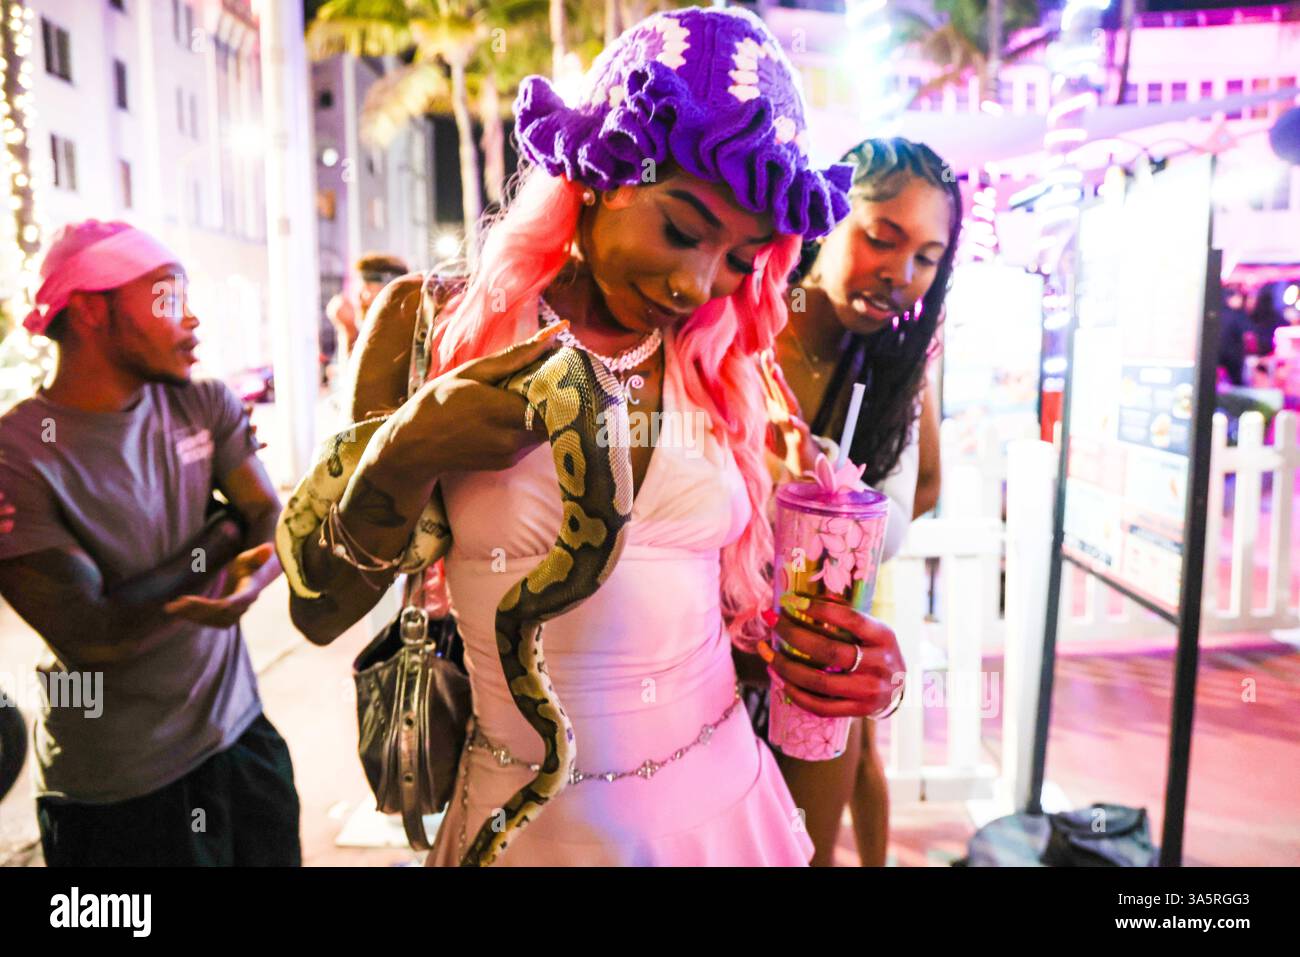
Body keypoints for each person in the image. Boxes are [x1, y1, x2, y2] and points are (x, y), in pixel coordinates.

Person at [287, 7, 904, 866]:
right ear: (600, 171)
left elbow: (735, 622)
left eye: (739, 256)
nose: (699, 284)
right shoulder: (428, 326)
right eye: (682, 229)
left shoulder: (730, 370)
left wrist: (850, 665)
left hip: (727, 814)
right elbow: (316, 608)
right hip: (527, 829)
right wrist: (410, 444)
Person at [0, 220, 299, 866]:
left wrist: (253, 567)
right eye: (167, 297)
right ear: (89, 310)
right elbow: (92, 630)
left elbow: (268, 517)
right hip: (116, 791)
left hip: (243, 742)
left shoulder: (202, 402)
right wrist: (221, 538)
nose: (192, 317)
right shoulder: (18, 452)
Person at [756, 137, 962, 865]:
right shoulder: (738, 332)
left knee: (805, 849)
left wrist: (843, 522)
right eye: (881, 237)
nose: (902, 274)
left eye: (928, 257)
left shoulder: (893, 369)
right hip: (698, 667)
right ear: (830, 211)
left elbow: (923, 486)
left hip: (816, 668)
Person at [325, 252, 410, 370]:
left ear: (391, 292)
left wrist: (348, 330)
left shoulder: (399, 331)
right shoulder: (366, 328)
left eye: (368, 288)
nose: (360, 298)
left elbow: (361, 379)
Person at [1217, 286, 1251, 386]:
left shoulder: (1218, 312)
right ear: (1229, 298)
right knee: (1236, 382)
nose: (1240, 300)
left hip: (1218, 352)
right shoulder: (1237, 315)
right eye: (1237, 297)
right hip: (1233, 354)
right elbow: (1248, 334)